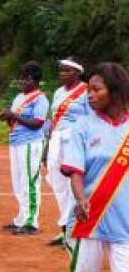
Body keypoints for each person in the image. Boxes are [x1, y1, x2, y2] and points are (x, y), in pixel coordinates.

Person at [58, 62, 129, 272]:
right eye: (88, 89)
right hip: (92, 217)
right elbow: (75, 171)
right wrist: (81, 198)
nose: (90, 95)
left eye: (96, 89)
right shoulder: (83, 127)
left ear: (115, 92)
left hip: (126, 221)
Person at [0, 61, 49, 235]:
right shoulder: (19, 97)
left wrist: (14, 115)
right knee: (18, 183)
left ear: (35, 80)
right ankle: (21, 217)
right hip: (16, 142)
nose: (22, 82)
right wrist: (7, 116)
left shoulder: (40, 98)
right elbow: (17, 119)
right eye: (21, 78)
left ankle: (31, 221)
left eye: (26, 78)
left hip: (31, 143)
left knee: (30, 181)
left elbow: (37, 123)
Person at [44, 59, 89, 246]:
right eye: (61, 70)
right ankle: (65, 226)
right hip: (57, 139)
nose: (62, 73)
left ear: (77, 73)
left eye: (67, 71)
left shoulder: (87, 91)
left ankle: (73, 229)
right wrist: (47, 146)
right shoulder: (57, 93)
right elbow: (53, 119)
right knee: (57, 182)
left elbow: (91, 118)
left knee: (73, 183)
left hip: (74, 140)